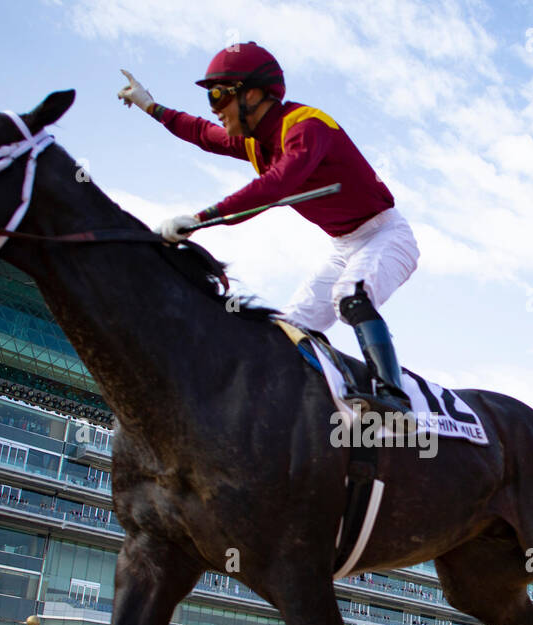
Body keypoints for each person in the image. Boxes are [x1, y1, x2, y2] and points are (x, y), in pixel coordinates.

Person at [117, 43, 420, 414]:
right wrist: (151, 106)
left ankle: (394, 397)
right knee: (286, 330)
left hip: (386, 235)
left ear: (254, 95)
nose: (214, 110)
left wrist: (201, 218)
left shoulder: (307, 127)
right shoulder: (257, 141)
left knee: (350, 298)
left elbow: (274, 186)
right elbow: (203, 134)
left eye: (218, 97)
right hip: (344, 246)